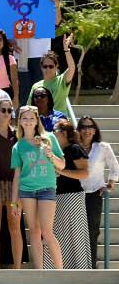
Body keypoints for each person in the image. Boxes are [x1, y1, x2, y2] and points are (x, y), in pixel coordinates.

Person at [11, 105, 66, 269]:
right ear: (20, 121)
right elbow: (16, 176)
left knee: (47, 232)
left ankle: (60, 271)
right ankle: (40, 271)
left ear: (37, 120)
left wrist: (50, 153)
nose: (28, 121)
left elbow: (62, 165)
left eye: (31, 118)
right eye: (24, 118)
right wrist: (14, 202)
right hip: (26, 190)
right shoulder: (18, 146)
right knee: (34, 231)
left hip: (47, 188)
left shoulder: (49, 138)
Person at [77, 116, 118, 268]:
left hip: (95, 193)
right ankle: (77, 264)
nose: (87, 130)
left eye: (90, 127)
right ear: (79, 130)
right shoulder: (74, 146)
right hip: (75, 193)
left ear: (95, 130)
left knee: (92, 231)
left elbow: (114, 166)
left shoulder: (102, 147)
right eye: (83, 127)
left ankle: (91, 265)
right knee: (76, 231)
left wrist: (110, 183)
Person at [50, 120, 91, 269]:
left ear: (64, 133)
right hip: (57, 196)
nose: (53, 133)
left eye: (55, 130)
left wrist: (61, 171)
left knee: (74, 235)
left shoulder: (74, 148)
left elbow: (84, 173)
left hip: (72, 197)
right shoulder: (55, 152)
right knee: (59, 234)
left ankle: (78, 268)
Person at [14, 0, 62, 97]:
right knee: (24, 91)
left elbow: (56, 22)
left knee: (41, 90)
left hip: (41, 55)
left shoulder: (46, 1)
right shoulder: (14, 3)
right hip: (21, 55)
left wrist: (56, 5)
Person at [0, 97, 22, 268]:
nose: (7, 114)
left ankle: (17, 268)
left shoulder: (16, 134)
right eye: (3, 110)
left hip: (13, 183)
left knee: (14, 227)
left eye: (10, 110)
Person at [27, 34, 76, 113]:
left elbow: (72, 68)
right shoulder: (36, 86)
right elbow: (29, 107)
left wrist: (66, 50)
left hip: (59, 122)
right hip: (43, 122)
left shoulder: (62, 80)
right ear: (41, 67)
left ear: (56, 66)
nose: (48, 69)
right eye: (45, 66)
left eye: (51, 66)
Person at [0, 29, 19, 109]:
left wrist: (16, 98)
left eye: (0, 39)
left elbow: (14, 79)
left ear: (4, 42)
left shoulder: (10, 58)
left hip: (6, 93)